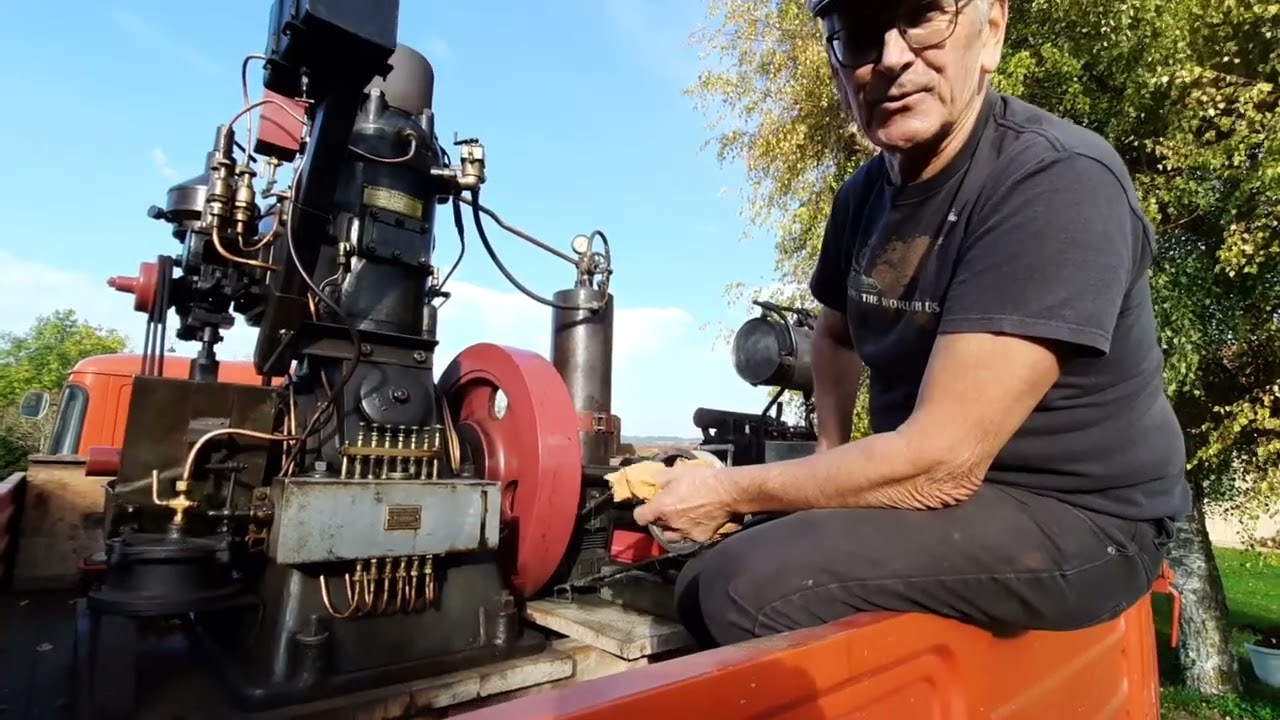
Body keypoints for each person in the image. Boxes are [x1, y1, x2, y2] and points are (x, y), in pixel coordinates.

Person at [632, 0, 1192, 648]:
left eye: (924, 15)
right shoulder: (862, 198)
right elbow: (835, 334)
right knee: (695, 569)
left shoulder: (1055, 182)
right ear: (838, 65)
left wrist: (730, 491)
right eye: (862, 34)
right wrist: (829, 453)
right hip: (944, 488)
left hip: (1081, 518)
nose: (892, 58)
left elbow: (940, 464)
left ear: (993, 29)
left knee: (738, 586)